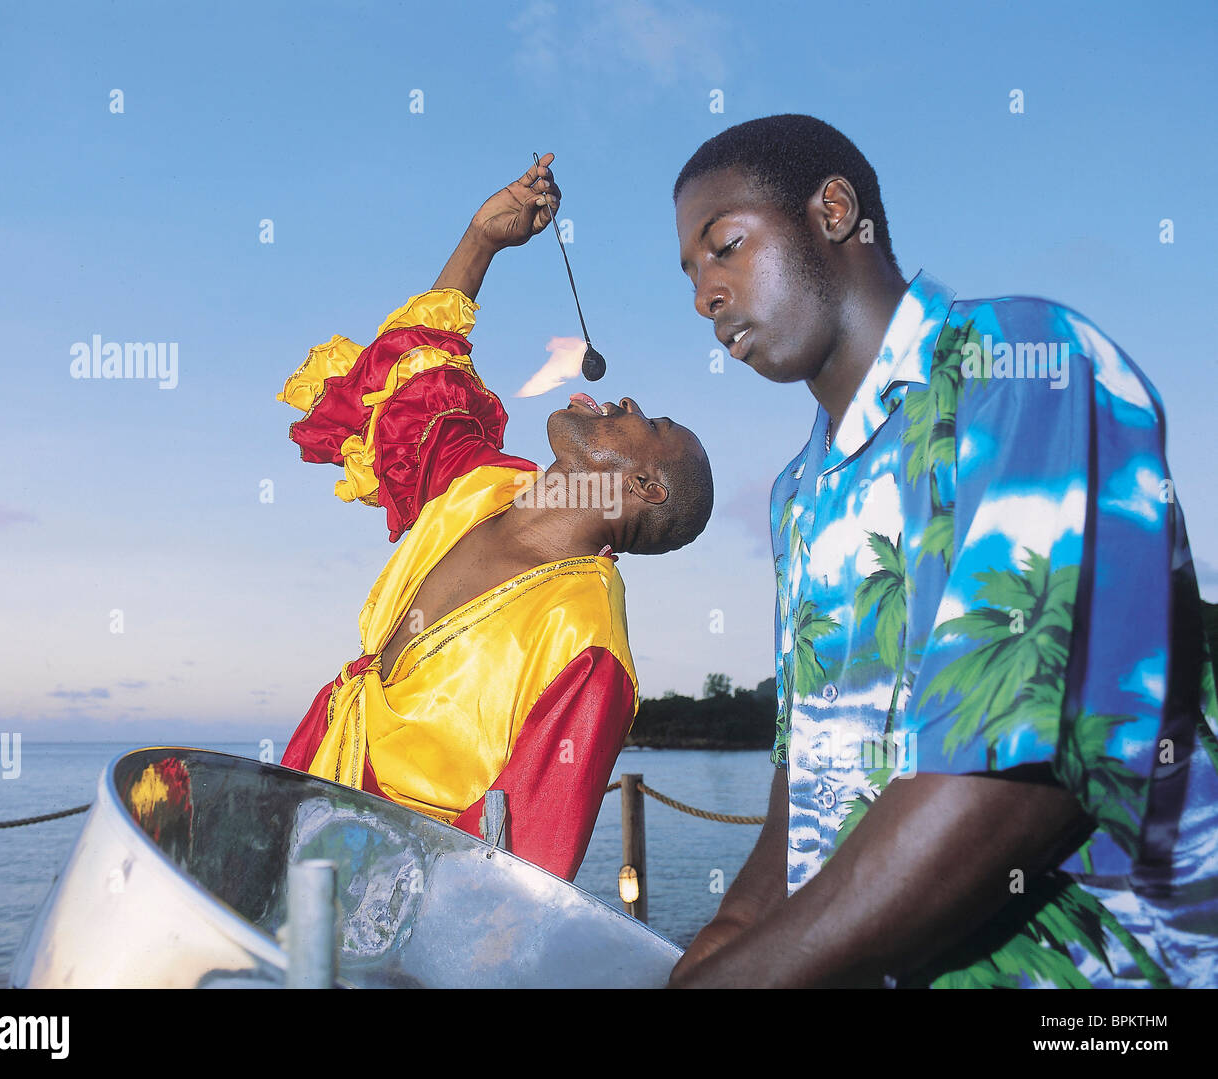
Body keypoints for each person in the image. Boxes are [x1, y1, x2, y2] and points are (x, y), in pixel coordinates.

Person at [669, 114, 1218, 988]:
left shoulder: (1023, 365)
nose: (706, 294)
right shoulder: (795, 495)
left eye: (725, 246)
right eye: (691, 275)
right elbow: (805, 773)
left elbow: (1013, 782)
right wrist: (726, 934)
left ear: (835, 210)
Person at [277, 153, 713, 882]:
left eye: (653, 420)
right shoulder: (480, 484)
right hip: (310, 802)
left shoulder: (589, 645)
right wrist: (482, 238)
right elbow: (423, 372)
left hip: (391, 891)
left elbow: (522, 876)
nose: (629, 402)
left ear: (644, 486)